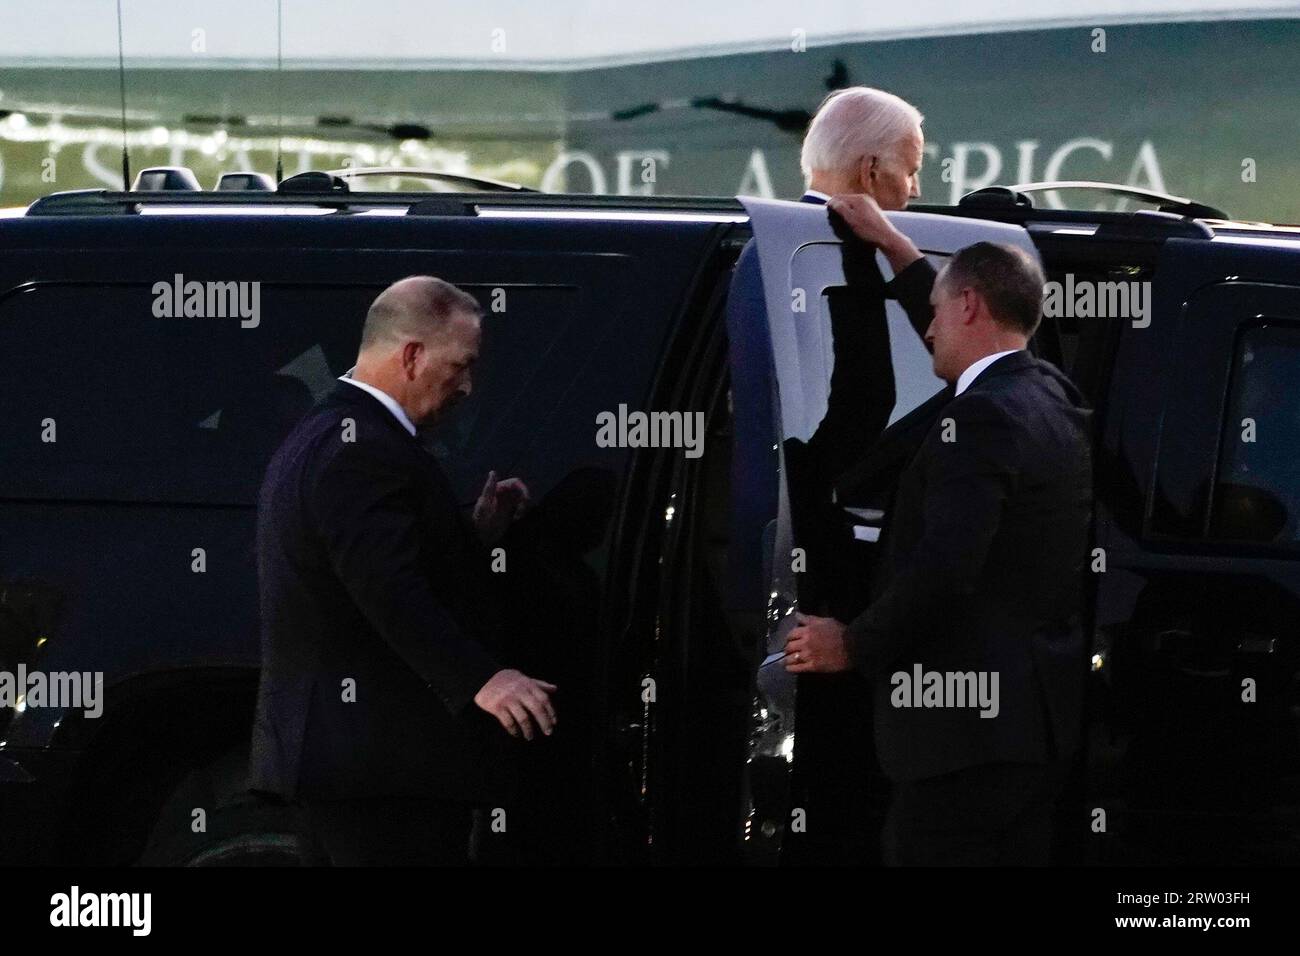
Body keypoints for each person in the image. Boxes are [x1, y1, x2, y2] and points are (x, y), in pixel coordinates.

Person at [784, 242, 1093, 865]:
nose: (928, 329)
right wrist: (895, 248)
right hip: (1032, 735)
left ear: (971, 307)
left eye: (936, 312)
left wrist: (851, 644)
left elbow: (947, 567)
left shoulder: (981, 417)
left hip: (962, 744)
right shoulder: (1054, 396)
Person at [248, 275, 556, 865]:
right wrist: (483, 679)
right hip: (379, 769)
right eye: (461, 365)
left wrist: (475, 533)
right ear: (412, 355)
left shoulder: (327, 432)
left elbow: (365, 565)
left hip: (347, 764)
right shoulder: (364, 447)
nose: (468, 385)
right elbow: (387, 590)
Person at [728, 85, 938, 864]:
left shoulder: (766, 256)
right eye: (911, 171)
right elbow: (854, 410)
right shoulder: (829, 260)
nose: (915, 191)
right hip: (820, 604)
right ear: (875, 169)